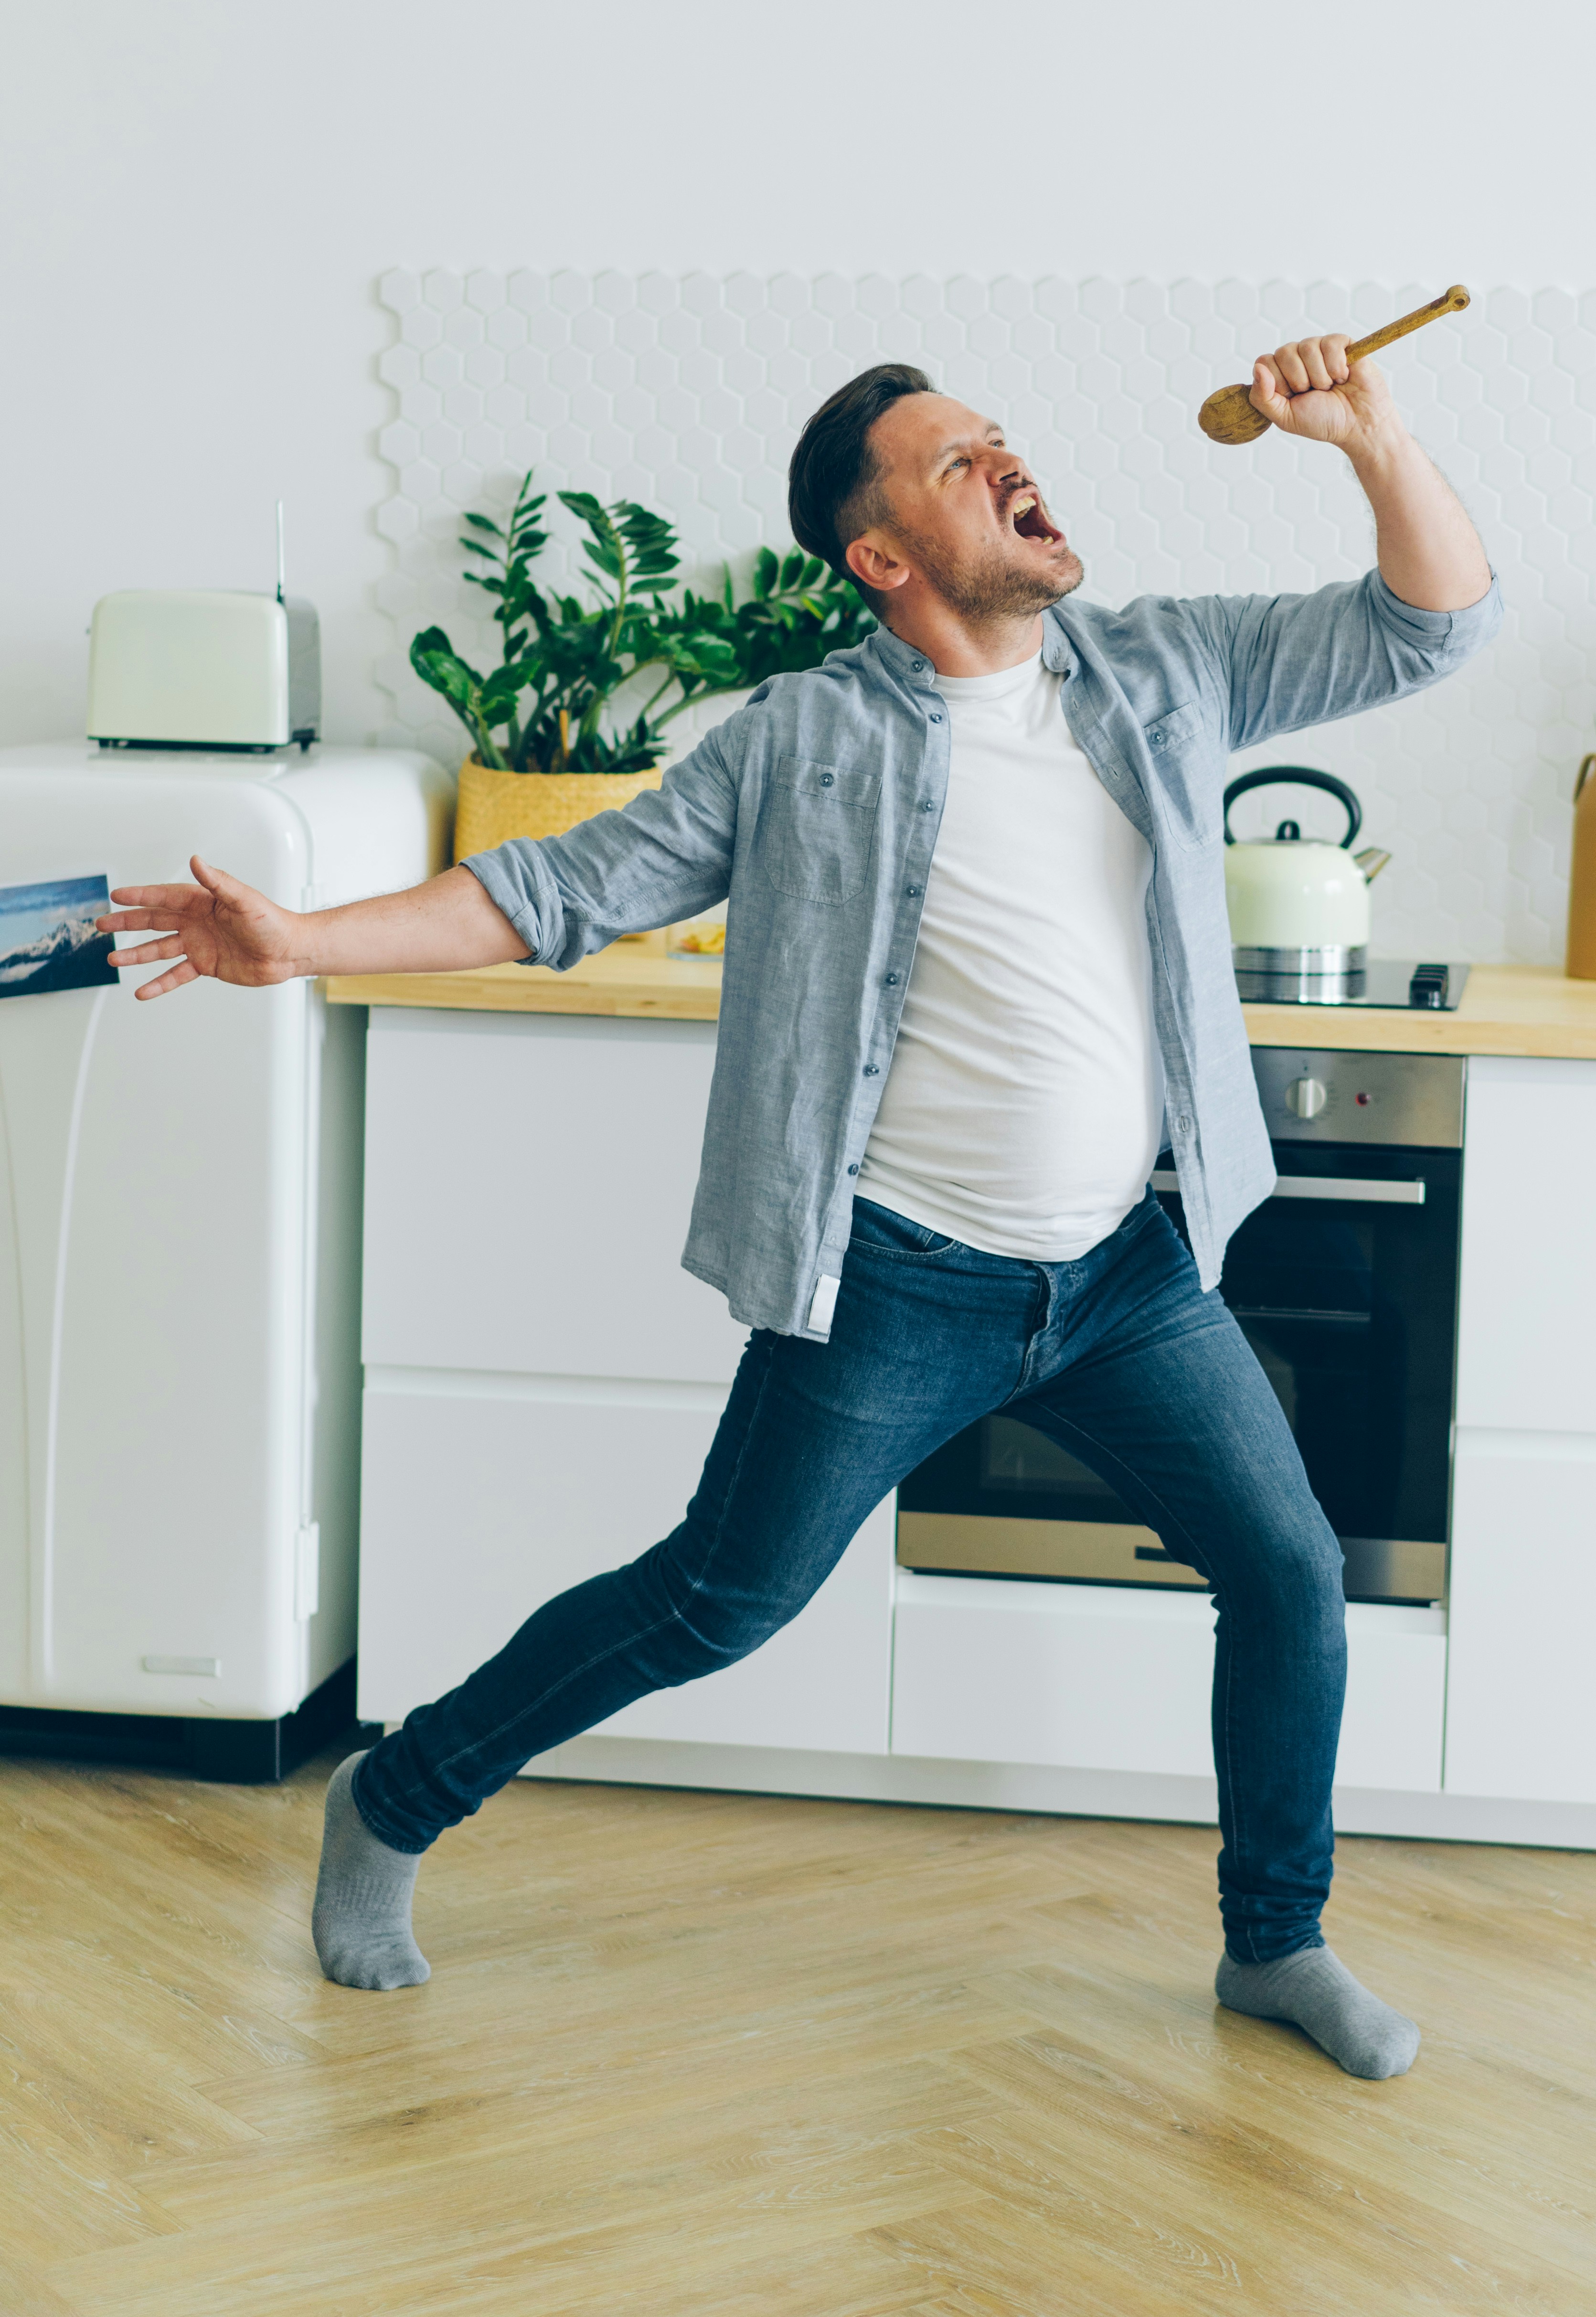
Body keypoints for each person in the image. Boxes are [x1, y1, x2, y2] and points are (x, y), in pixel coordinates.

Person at [108, 330, 1500, 2081]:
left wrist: (1370, 433)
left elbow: (1432, 624)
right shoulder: (804, 736)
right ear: (886, 557)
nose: (1009, 460)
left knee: (1293, 1572)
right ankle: (396, 1797)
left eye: (1005, 437)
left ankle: (1274, 1945)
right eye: (954, 458)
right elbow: (556, 889)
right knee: (716, 1603)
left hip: (1128, 1267)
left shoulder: (1168, 671)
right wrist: (299, 941)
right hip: (898, 1282)